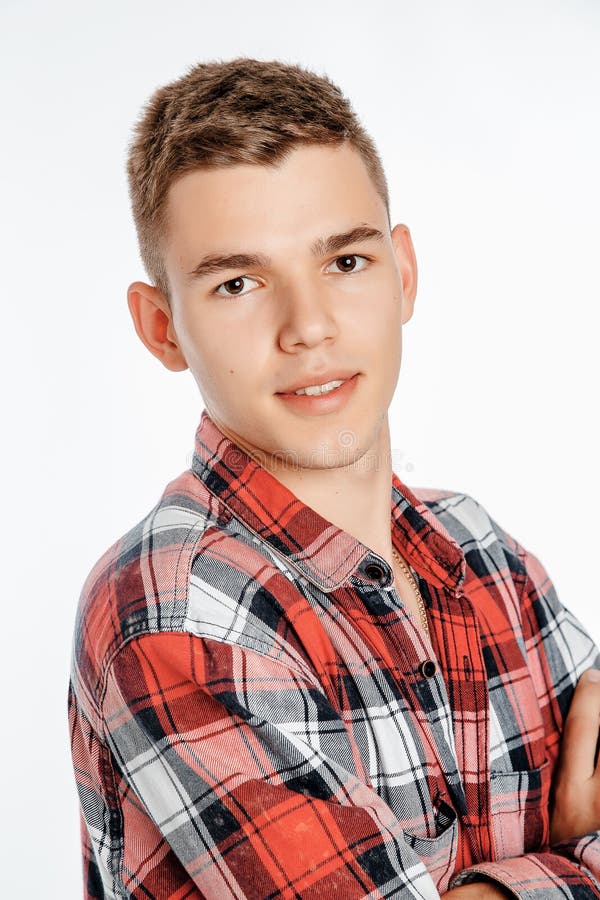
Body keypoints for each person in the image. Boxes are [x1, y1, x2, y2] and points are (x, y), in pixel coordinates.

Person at [67, 57, 600, 899]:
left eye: (345, 263)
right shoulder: (175, 618)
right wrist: (564, 865)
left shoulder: (486, 555)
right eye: (239, 283)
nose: (308, 327)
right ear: (162, 328)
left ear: (404, 274)